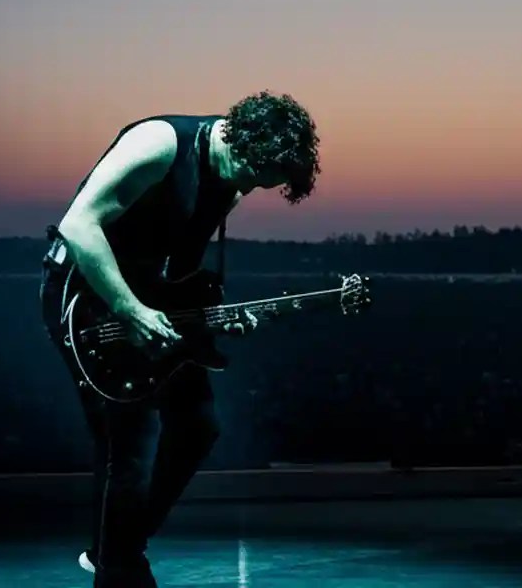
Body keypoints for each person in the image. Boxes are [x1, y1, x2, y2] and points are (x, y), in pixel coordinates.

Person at [38, 91, 321, 586]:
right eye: (255, 177)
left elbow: (179, 275)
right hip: (86, 299)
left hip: (146, 303)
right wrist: (129, 310)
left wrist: (213, 317)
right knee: (129, 440)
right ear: (239, 142)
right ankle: (120, 567)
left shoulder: (230, 184)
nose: (251, 190)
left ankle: (114, 546)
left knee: (197, 425)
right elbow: (79, 225)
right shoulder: (159, 144)